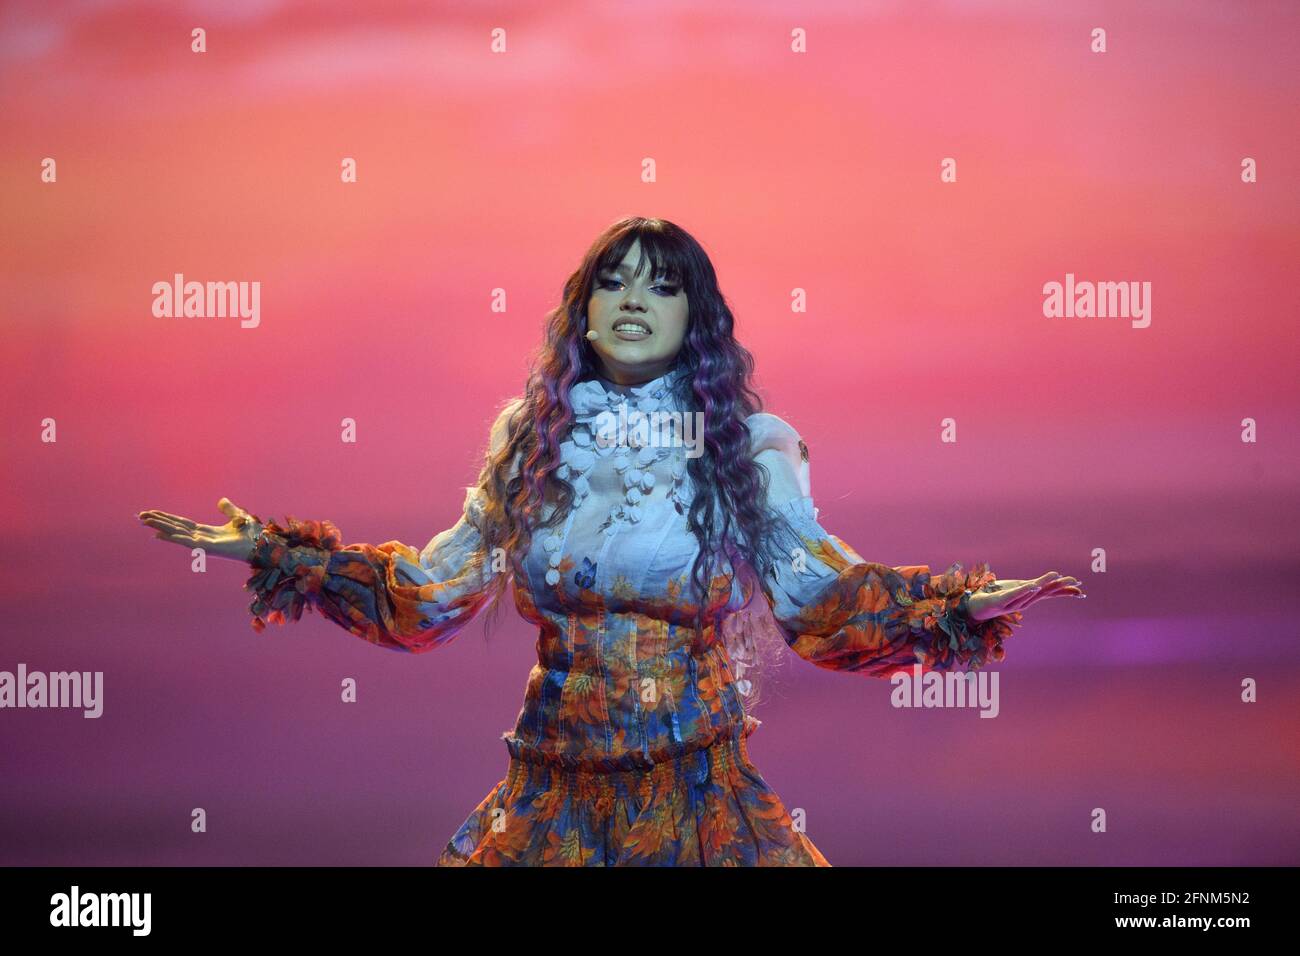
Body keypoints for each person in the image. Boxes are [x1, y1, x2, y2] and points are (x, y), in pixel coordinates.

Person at [138, 217, 1083, 866]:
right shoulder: (533, 436)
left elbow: (817, 598)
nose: (634, 299)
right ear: (582, 309)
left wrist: (952, 609)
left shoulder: (749, 447)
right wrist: (280, 554)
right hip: (551, 792)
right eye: (614, 280)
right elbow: (432, 594)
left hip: (693, 795)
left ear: (694, 319)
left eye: (663, 286)